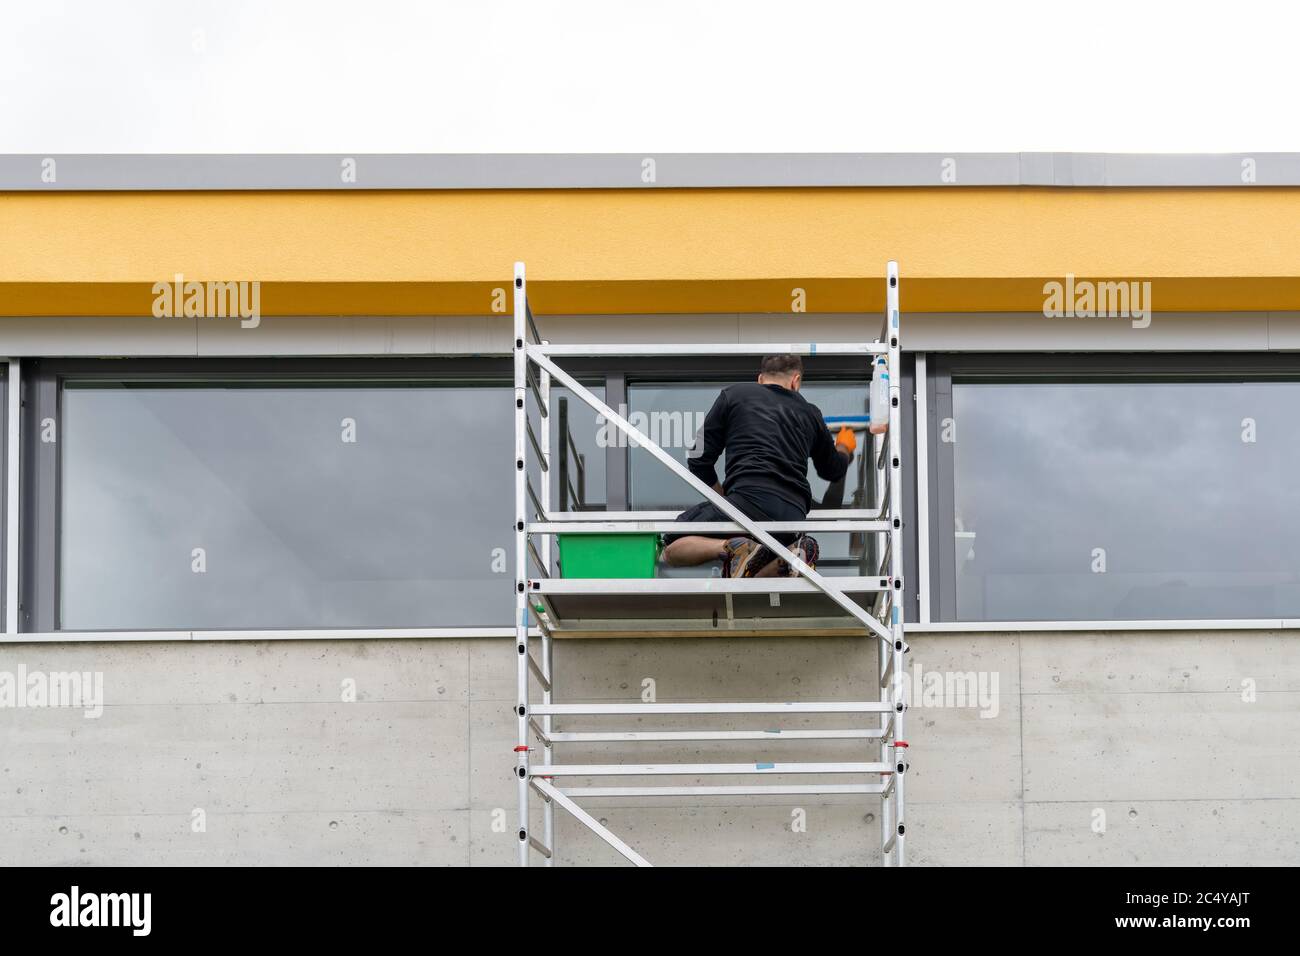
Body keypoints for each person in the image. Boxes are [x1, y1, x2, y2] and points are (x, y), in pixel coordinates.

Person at [662, 354, 857, 577]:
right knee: (757, 563)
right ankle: (794, 553)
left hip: (747, 500)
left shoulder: (734, 395)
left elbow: (697, 457)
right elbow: (833, 469)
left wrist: (722, 498)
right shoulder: (810, 413)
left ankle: (729, 547)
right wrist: (844, 447)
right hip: (793, 516)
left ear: (760, 379)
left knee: (672, 542)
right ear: (795, 381)